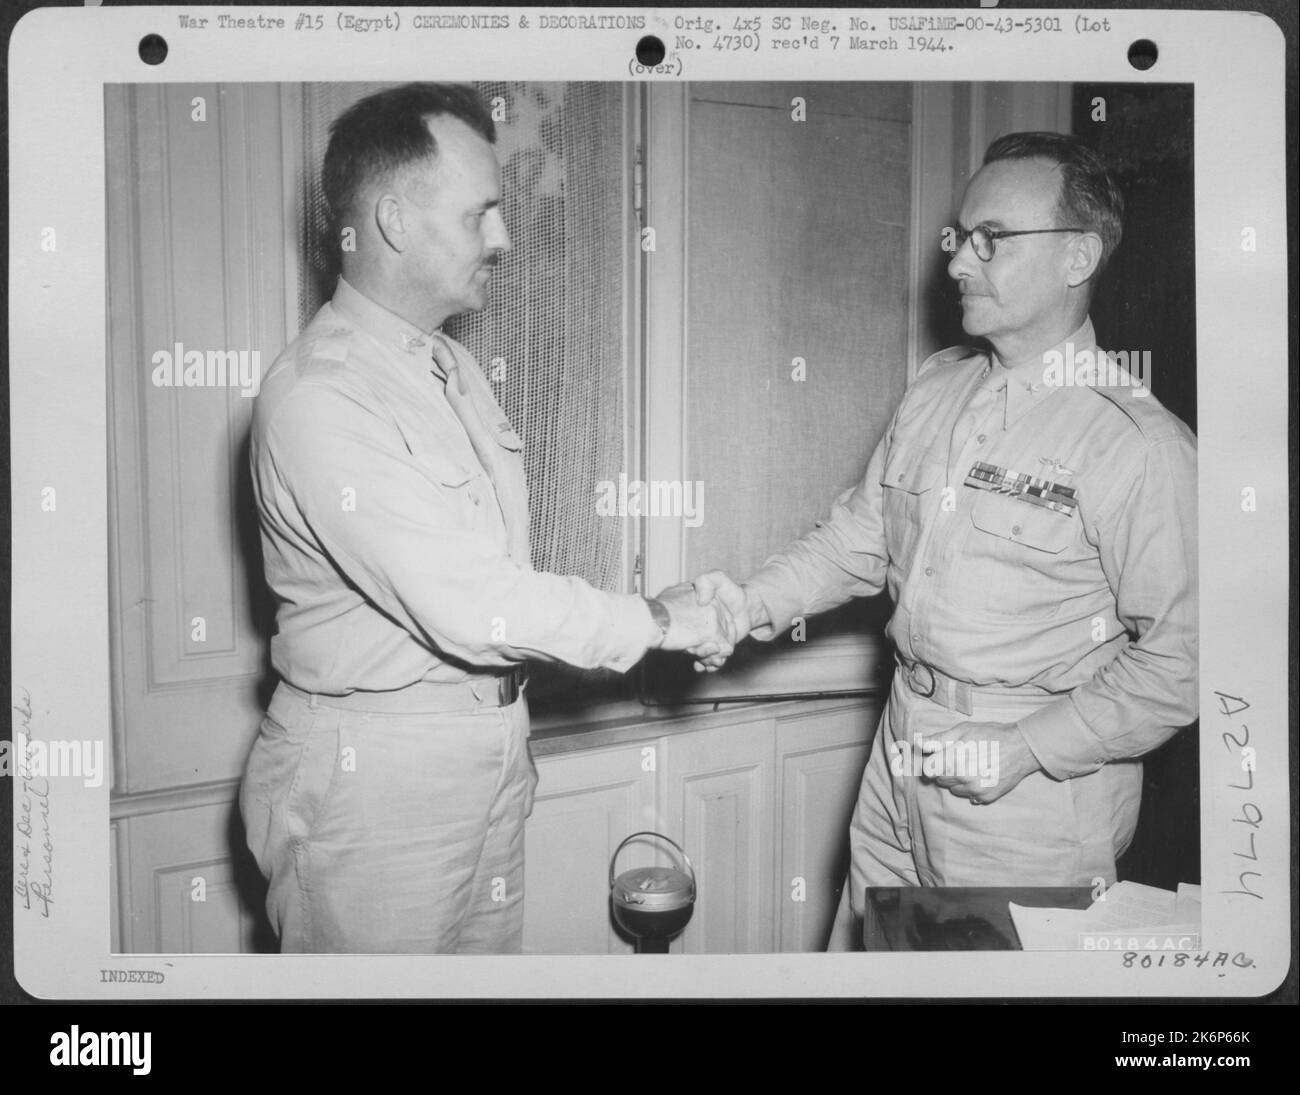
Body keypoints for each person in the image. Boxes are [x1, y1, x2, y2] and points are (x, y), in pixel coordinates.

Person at [240, 83, 730, 954]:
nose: (504, 239)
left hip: (486, 750)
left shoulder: (452, 367)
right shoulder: (323, 395)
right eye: (483, 213)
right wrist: (656, 620)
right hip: (376, 779)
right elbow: (472, 601)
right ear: (393, 219)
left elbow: (492, 567)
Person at [692, 132, 1198, 947]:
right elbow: (857, 540)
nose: (959, 261)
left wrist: (1027, 748)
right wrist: (746, 603)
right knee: (869, 970)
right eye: (961, 236)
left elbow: (1182, 661)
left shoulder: (1136, 444)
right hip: (902, 748)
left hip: (1025, 799)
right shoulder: (938, 388)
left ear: (1078, 256)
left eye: (991, 239)